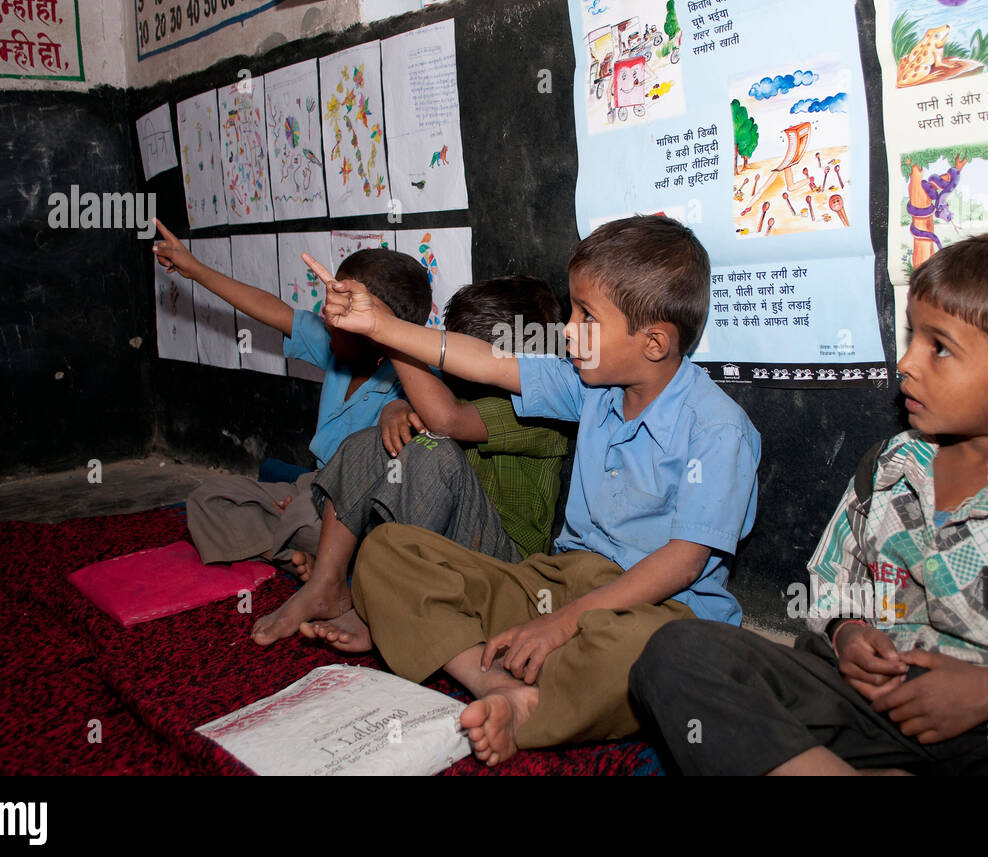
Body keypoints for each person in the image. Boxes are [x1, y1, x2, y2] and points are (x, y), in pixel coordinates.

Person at [630, 232, 988, 775]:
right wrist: (847, 631)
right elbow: (828, 581)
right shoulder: (889, 468)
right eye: (912, 337)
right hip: (871, 710)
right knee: (679, 654)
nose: (907, 363)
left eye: (939, 347)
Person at [298, 215, 762, 766]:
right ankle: (493, 680)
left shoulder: (718, 430)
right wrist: (379, 326)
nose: (567, 328)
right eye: (571, 310)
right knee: (388, 553)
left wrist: (563, 623)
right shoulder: (589, 388)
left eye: (587, 316)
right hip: (561, 579)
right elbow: (483, 361)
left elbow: (684, 563)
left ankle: (525, 705)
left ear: (655, 341)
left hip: (660, 609)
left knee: (646, 657)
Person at [249, 275, 571, 645]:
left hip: (505, 565)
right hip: (440, 541)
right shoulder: (458, 387)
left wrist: (388, 331)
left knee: (436, 450)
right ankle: (327, 583)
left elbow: (446, 420)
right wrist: (396, 408)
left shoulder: (543, 414)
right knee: (373, 441)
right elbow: (430, 411)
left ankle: (383, 607)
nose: (448, 363)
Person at [151, 219, 431, 567]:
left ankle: (304, 547)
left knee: (325, 526)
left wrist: (400, 407)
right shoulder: (335, 346)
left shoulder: (413, 375)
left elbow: (425, 433)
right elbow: (272, 310)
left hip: (360, 505)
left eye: (340, 310)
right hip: (311, 486)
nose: (326, 316)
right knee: (209, 499)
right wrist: (194, 269)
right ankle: (294, 553)